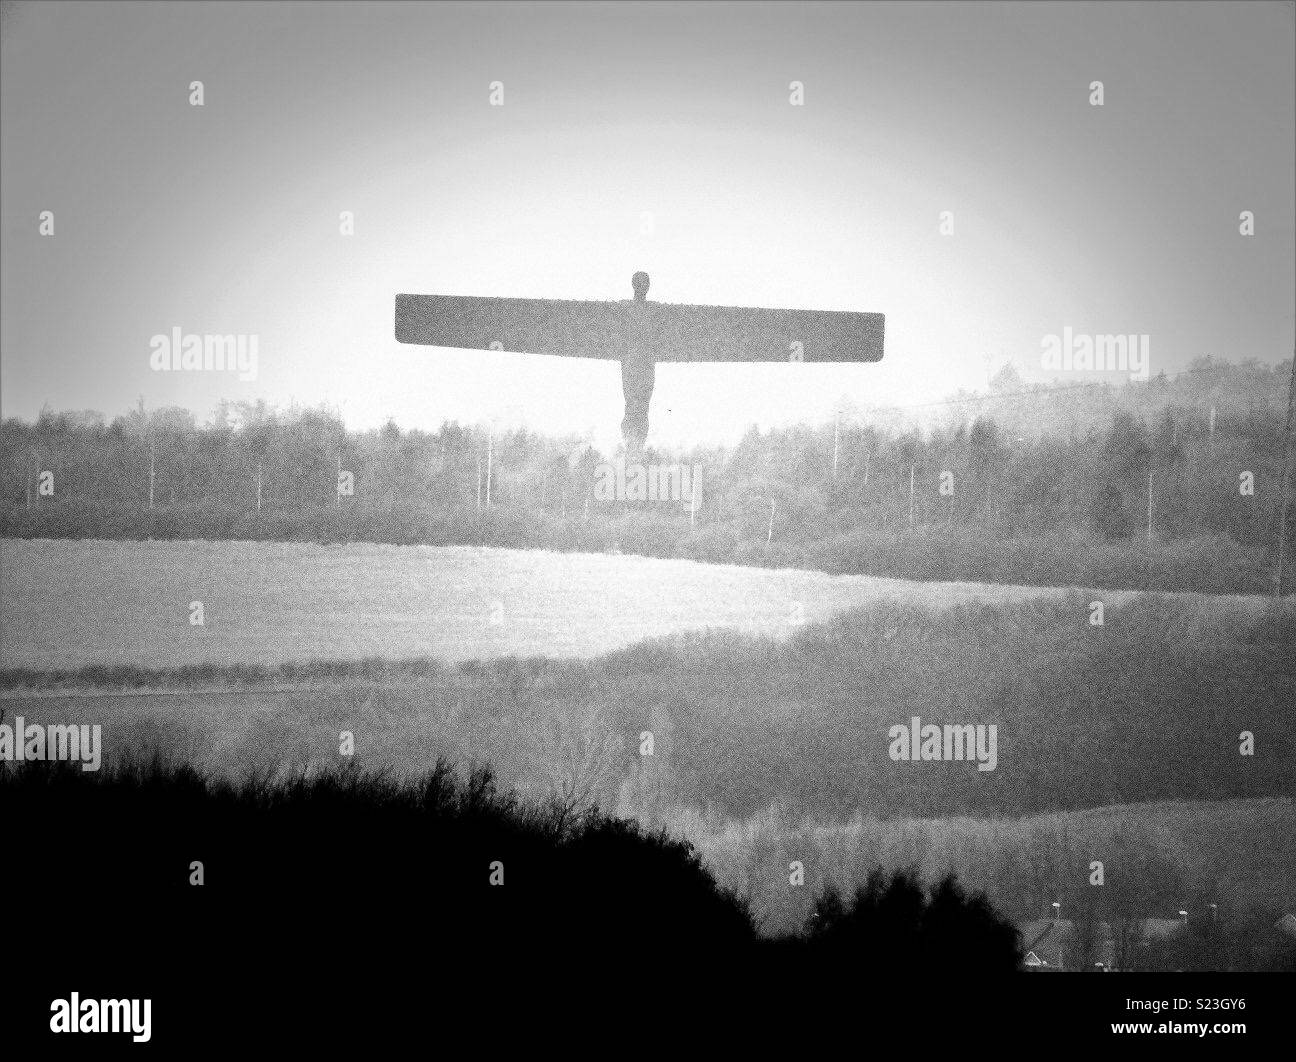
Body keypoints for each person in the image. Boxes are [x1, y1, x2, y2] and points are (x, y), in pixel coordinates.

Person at [620, 271, 655, 458]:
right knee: (635, 404)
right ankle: (632, 445)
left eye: (645, 283)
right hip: (634, 360)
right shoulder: (625, 308)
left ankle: (636, 446)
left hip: (643, 361)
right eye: (641, 283)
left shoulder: (653, 310)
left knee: (640, 405)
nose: (643, 286)